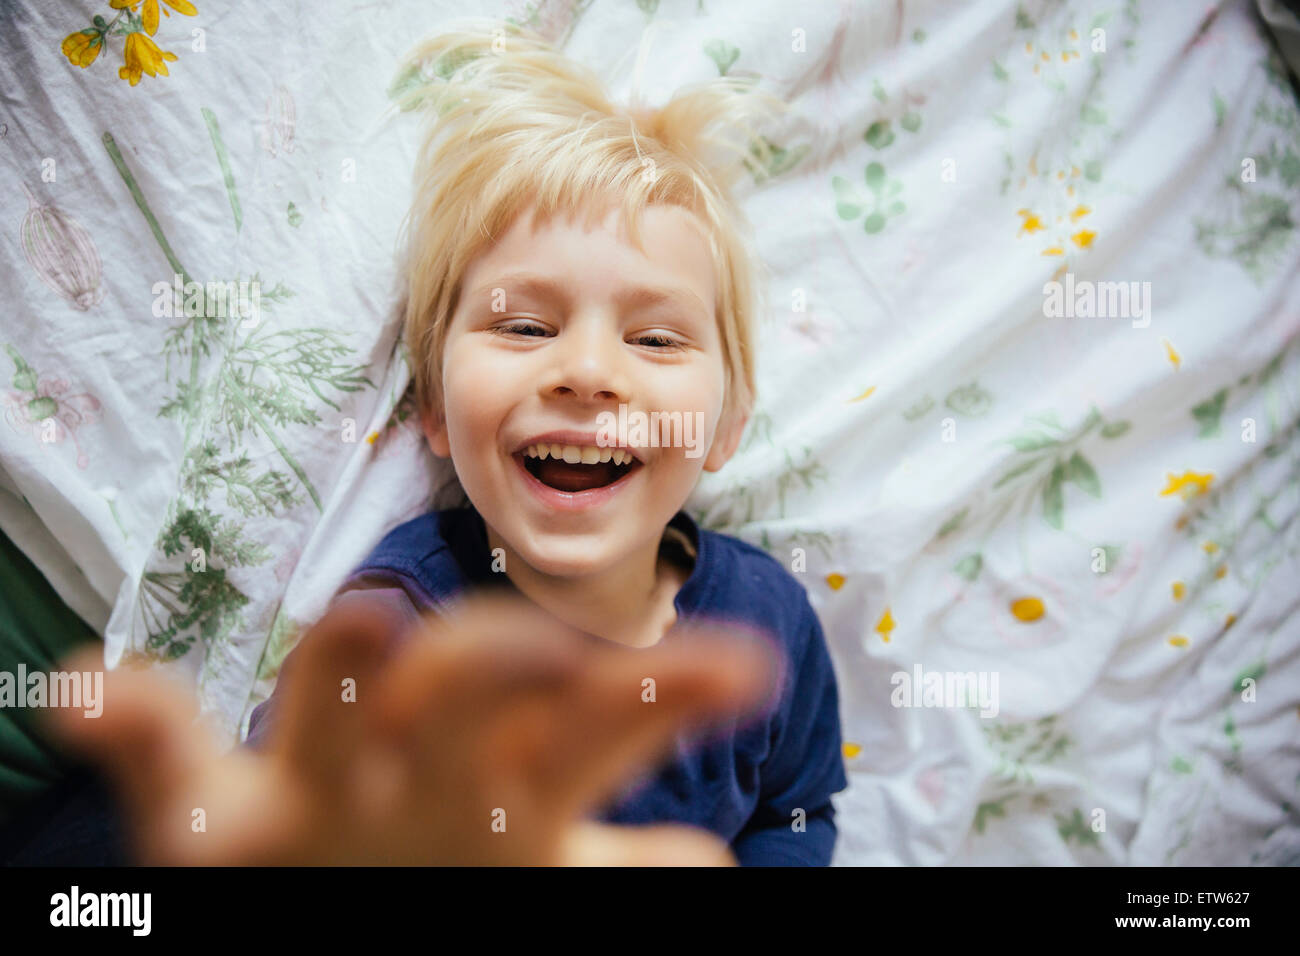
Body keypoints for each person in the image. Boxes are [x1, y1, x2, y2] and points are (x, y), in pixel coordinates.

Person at [45, 18, 849, 866]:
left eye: (655, 340)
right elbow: (305, 806)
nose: (585, 371)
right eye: (526, 325)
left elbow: (795, 810)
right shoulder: (396, 627)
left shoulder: (771, 625)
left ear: (726, 424)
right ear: (432, 407)